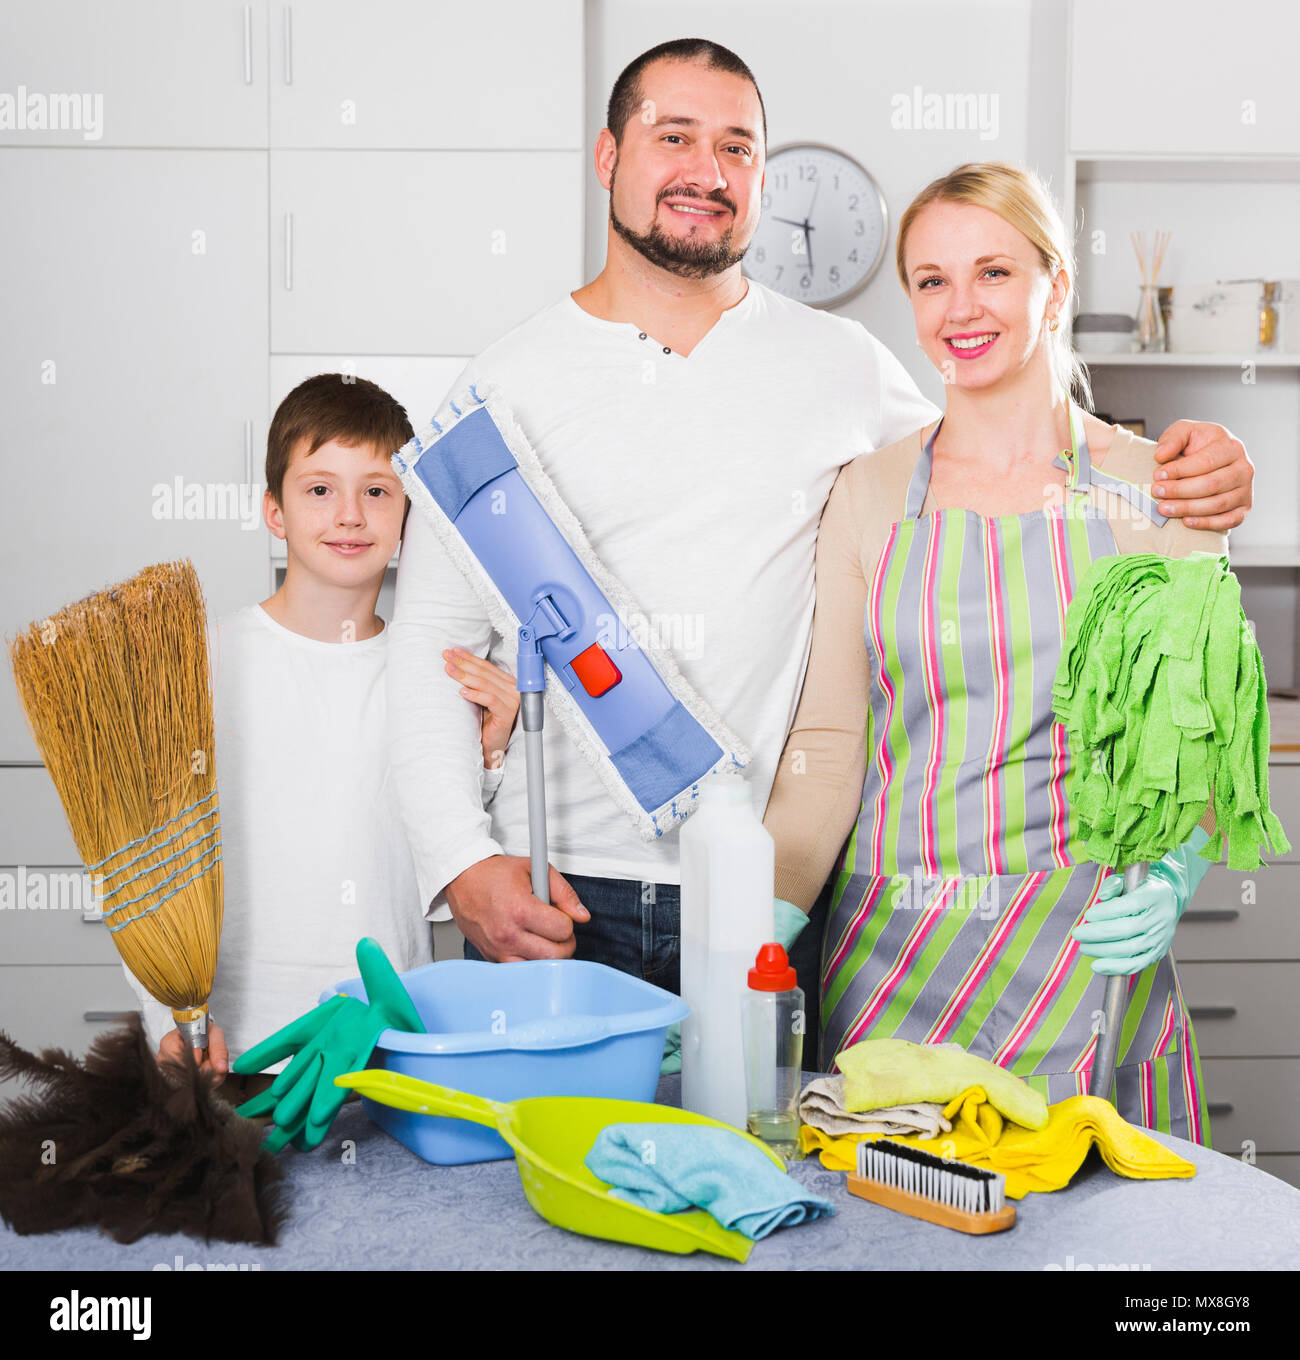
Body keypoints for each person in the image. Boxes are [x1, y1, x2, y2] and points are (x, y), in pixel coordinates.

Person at [388, 40, 1255, 1029]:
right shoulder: (508, 382)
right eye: (674, 136)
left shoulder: (841, 367)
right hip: (563, 895)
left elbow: (1002, 456)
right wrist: (461, 859)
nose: (706, 173)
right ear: (607, 157)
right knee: (553, 1182)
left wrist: (1196, 464)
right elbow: (427, 645)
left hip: (787, 887)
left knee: (783, 1170)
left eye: (737, 148)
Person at [762, 162, 1222, 1141]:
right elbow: (833, 737)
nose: (959, 308)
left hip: (1082, 944)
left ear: (1055, 286)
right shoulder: (871, 491)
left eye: (993, 273)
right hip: (893, 950)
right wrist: (772, 907)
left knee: (1090, 1234)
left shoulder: (1158, 490)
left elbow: (1192, 733)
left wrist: (1176, 869)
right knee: (890, 1225)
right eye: (930, 280)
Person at [124, 375, 518, 1086]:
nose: (349, 515)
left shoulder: (437, 677)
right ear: (274, 512)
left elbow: (449, 858)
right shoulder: (198, 661)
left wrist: (491, 748)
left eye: (376, 490)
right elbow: (141, 872)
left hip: (384, 1045)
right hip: (231, 1043)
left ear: (408, 518)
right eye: (318, 490)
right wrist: (169, 1022)